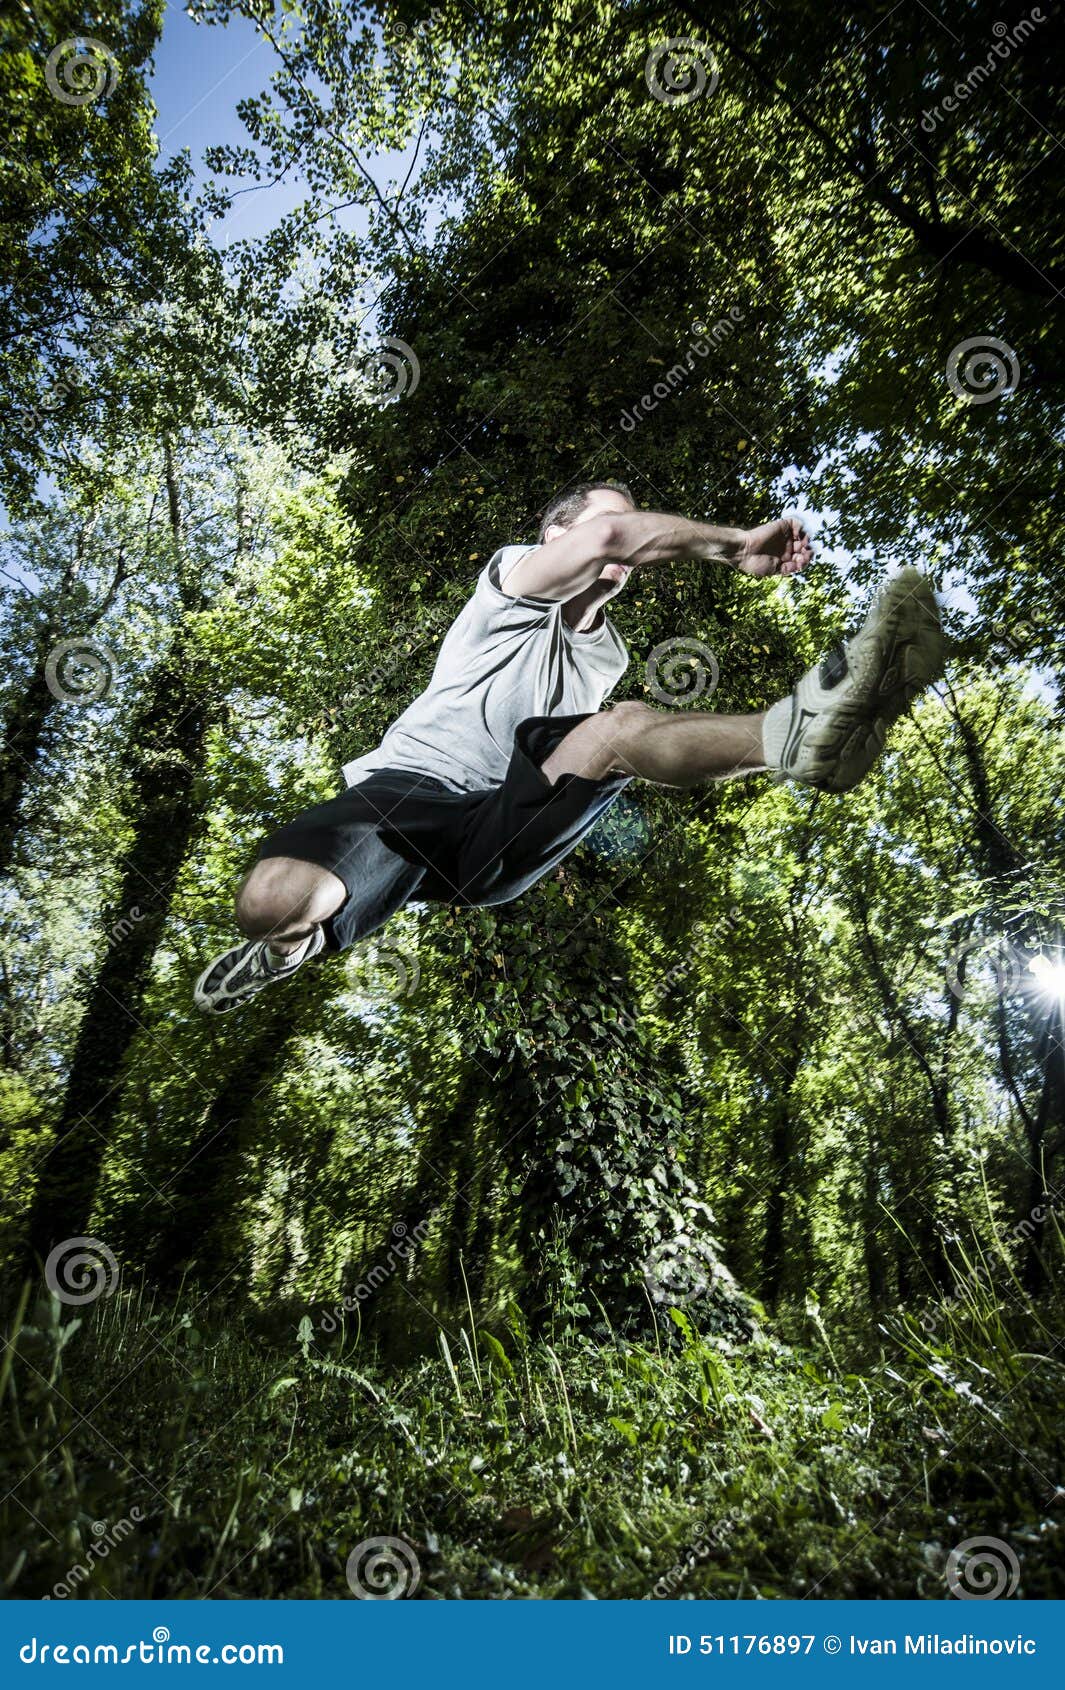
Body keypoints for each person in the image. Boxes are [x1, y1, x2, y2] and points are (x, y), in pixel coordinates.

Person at [194, 481, 944, 1014]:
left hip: (499, 823)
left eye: (628, 522)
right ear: (556, 537)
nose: (624, 536)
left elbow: (599, 730)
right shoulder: (509, 585)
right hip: (400, 792)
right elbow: (611, 539)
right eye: (605, 522)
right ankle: (286, 950)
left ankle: (800, 736)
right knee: (271, 903)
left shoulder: (605, 657)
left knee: (618, 726)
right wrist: (735, 546)